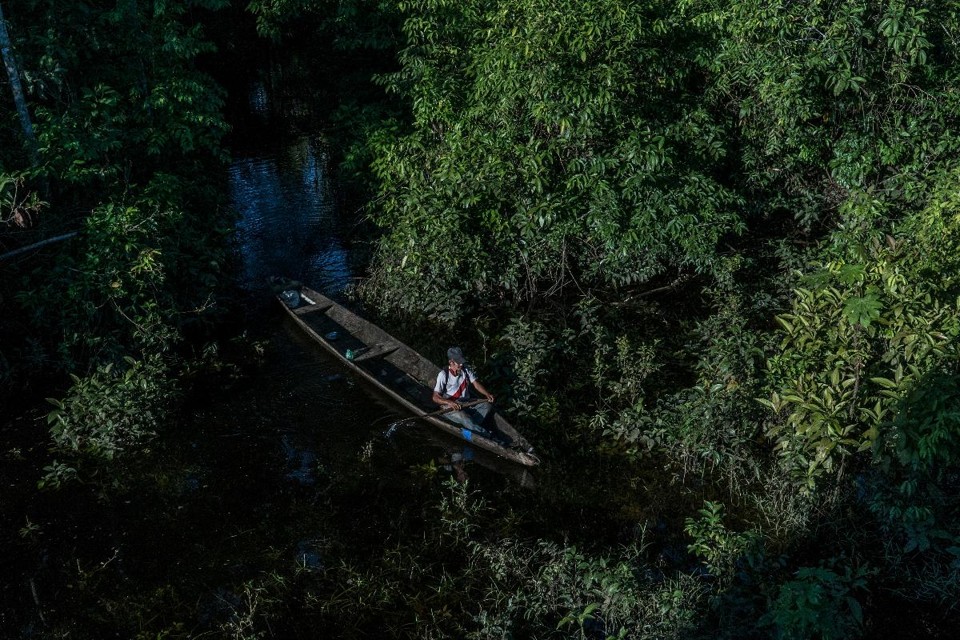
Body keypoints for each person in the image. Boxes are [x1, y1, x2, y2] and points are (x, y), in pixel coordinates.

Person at [432, 346, 496, 437]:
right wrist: (449, 402)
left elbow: (476, 384)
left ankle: (470, 425)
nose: (461, 365)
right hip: (451, 407)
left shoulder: (466, 370)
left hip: (466, 403)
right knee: (465, 418)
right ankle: (486, 435)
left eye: (461, 362)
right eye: (458, 363)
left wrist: (487, 394)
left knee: (487, 406)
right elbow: (435, 397)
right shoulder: (443, 375)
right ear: (451, 362)